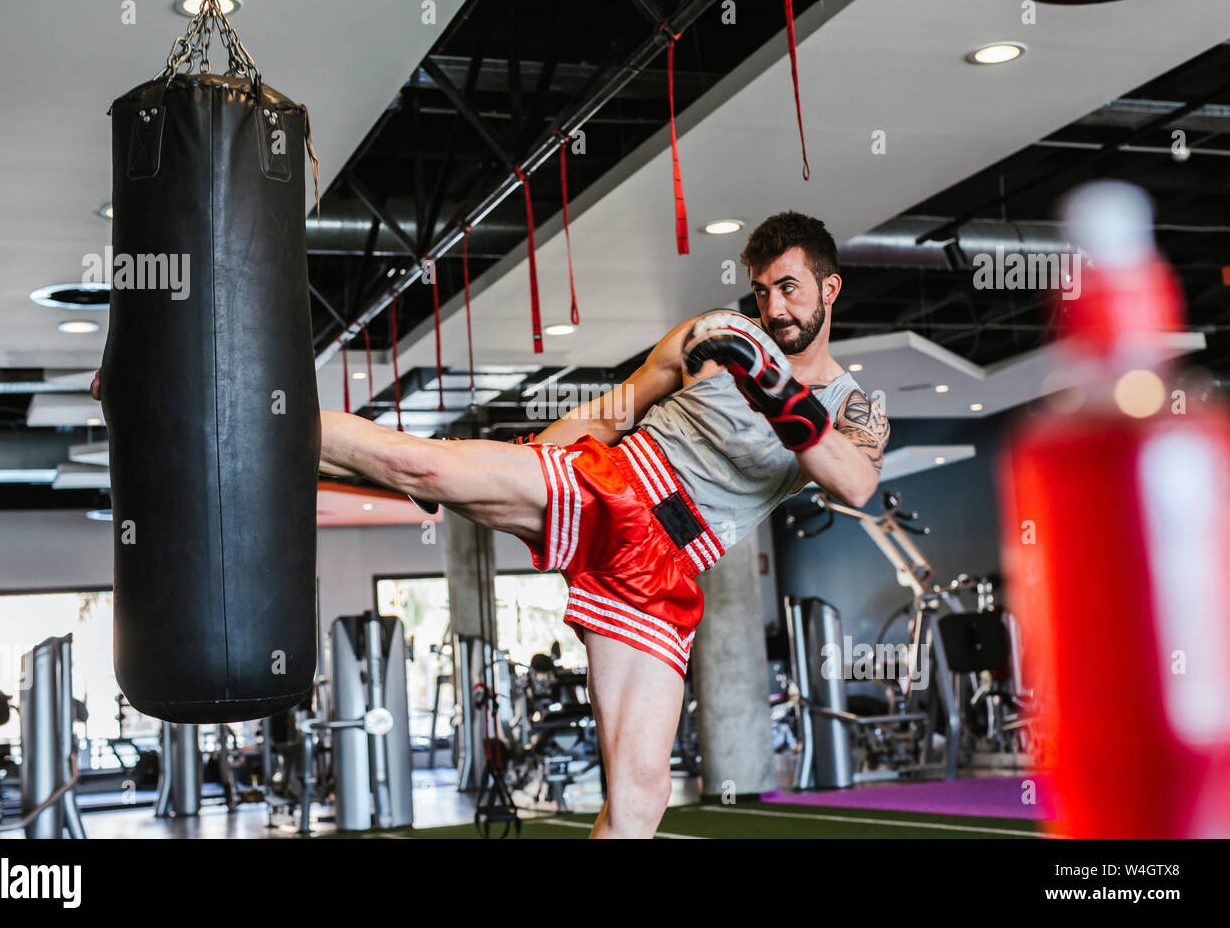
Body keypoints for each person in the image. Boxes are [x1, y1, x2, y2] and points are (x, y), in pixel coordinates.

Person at [93, 211, 889, 838]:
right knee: (426, 467)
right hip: (612, 486)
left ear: (830, 288)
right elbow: (612, 410)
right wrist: (514, 466)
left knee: (641, 797)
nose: (772, 308)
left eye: (789, 289)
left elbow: (853, 482)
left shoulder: (855, 407)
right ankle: (177, 392)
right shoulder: (713, 337)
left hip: (665, 570)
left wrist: (774, 388)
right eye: (762, 291)